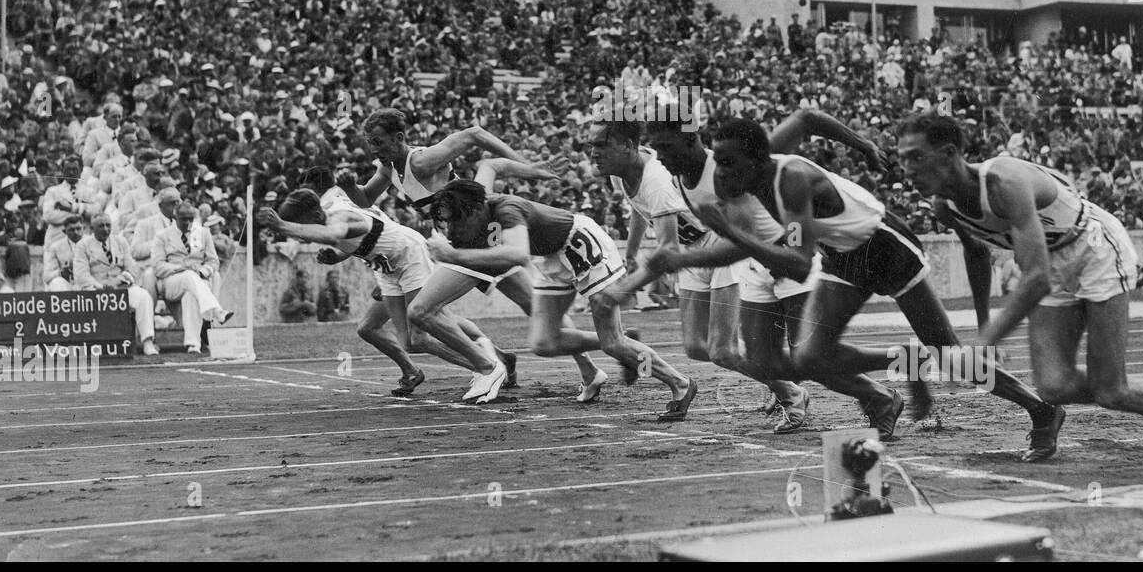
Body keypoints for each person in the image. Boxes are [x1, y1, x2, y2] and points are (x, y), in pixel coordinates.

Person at [685, 117, 1061, 457]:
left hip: (883, 245)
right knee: (809, 358)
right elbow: (805, 118)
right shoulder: (754, 172)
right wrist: (862, 146)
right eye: (716, 161)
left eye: (727, 162)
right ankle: (910, 362)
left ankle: (1041, 409)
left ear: (755, 158)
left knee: (950, 355)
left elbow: (800, 265)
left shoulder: (792, 178)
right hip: (843, 254)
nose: (719, 172)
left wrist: (728, 231)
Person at [896, 110, 1143, 471]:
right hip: (1052, 261)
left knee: (1112, 392)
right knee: (1053, 387)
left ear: (949, 154)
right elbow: (976, 251)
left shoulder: (1004, 182)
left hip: (1094, 248)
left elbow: (1035, 278)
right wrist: (982, 325)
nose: (906, 169)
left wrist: (985, 342)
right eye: (902, 158)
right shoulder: (943, 206)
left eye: (915, 157)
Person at [339, 109, 596, 396]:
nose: (374, 149)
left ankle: (487, 367)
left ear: (399, 138)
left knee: (422, 312)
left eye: (379, 142)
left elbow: (474, 134)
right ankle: (589, 369)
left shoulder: (421, 161)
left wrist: (529, 163)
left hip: (474, 240)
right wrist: (351, 188)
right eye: (370, 143)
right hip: (471, 240)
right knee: (536, 307)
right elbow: (365, 198)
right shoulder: (387, 169)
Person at [591, 118, 806, 432]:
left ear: (627, 146)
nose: (594, 153)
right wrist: (632, 251)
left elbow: (667, 249)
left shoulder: (658, 180)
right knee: (697, 347)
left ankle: (792, 392)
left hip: (716, 245)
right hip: (691, 252)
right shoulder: (620, 176)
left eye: (602, 145)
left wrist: (624, 288)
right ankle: (774, 374)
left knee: (723, 349)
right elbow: (641, 211)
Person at [426, 179, 698, 420]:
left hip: (581, 244)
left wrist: (452, 256)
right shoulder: (477, 201)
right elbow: (489, 166)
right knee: (544, 343)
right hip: (555, 257)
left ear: (474, 209)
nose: (453, 229)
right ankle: (627, 345)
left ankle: (680, 383)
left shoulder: (506, 210)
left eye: (456, 221)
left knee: (613, 343)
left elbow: (518, 255)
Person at [259, 187, 512, 402]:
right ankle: (482, 359)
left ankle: (486, 366)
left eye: (301, 225)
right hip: (388, 268)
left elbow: (335, 233)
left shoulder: (341, 219)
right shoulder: (329, 212)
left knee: (422, 329)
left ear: (314, 214)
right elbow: (357, 239)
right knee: (390, 334)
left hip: (408, 256)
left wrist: (283, 226)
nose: (301, 231)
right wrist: (337, 256)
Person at [73, 213, 161, 356]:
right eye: (101, 226)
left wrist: (120, 280)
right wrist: (101, 286)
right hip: (96, 290)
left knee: (143, 296)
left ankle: (148, 342)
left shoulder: (120, 242)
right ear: (92, 228)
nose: (106, 229)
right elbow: (81, 275)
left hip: (120, 287)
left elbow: (132, 268)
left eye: (108, 225)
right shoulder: (83, 245)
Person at [153, 201, 231, 354]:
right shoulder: (162, 236)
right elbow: (158, 266)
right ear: (175, 217)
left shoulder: (203, 233)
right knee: (189, 275)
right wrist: (181, 268)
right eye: (183, 219)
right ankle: (216, 311)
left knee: (191, 295)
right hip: (172, 282)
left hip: (198, 282)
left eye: (190, 218)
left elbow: (213, 261)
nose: (188, 222)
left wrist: (202, 272)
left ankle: (193, 344)